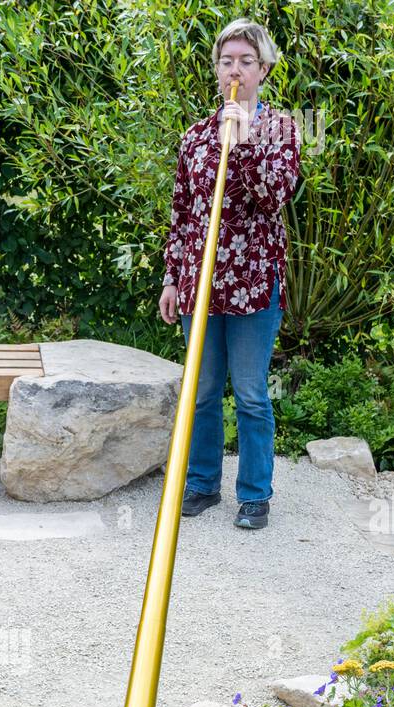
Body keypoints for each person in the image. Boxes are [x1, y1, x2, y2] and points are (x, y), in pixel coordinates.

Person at [159, 19, 300, 531]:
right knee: (200, 392)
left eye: (245, 61)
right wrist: (172, 279)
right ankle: (201, 485)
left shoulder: (280, 129)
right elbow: (182, 214)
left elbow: (274, 194)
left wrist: (242, 141)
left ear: (263, 69)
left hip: (253, 287)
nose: (235, 71)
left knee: (251, 394)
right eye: (226, 62)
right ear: (216, 71)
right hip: (200, 289)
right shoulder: (195, 137)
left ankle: (255, 493)